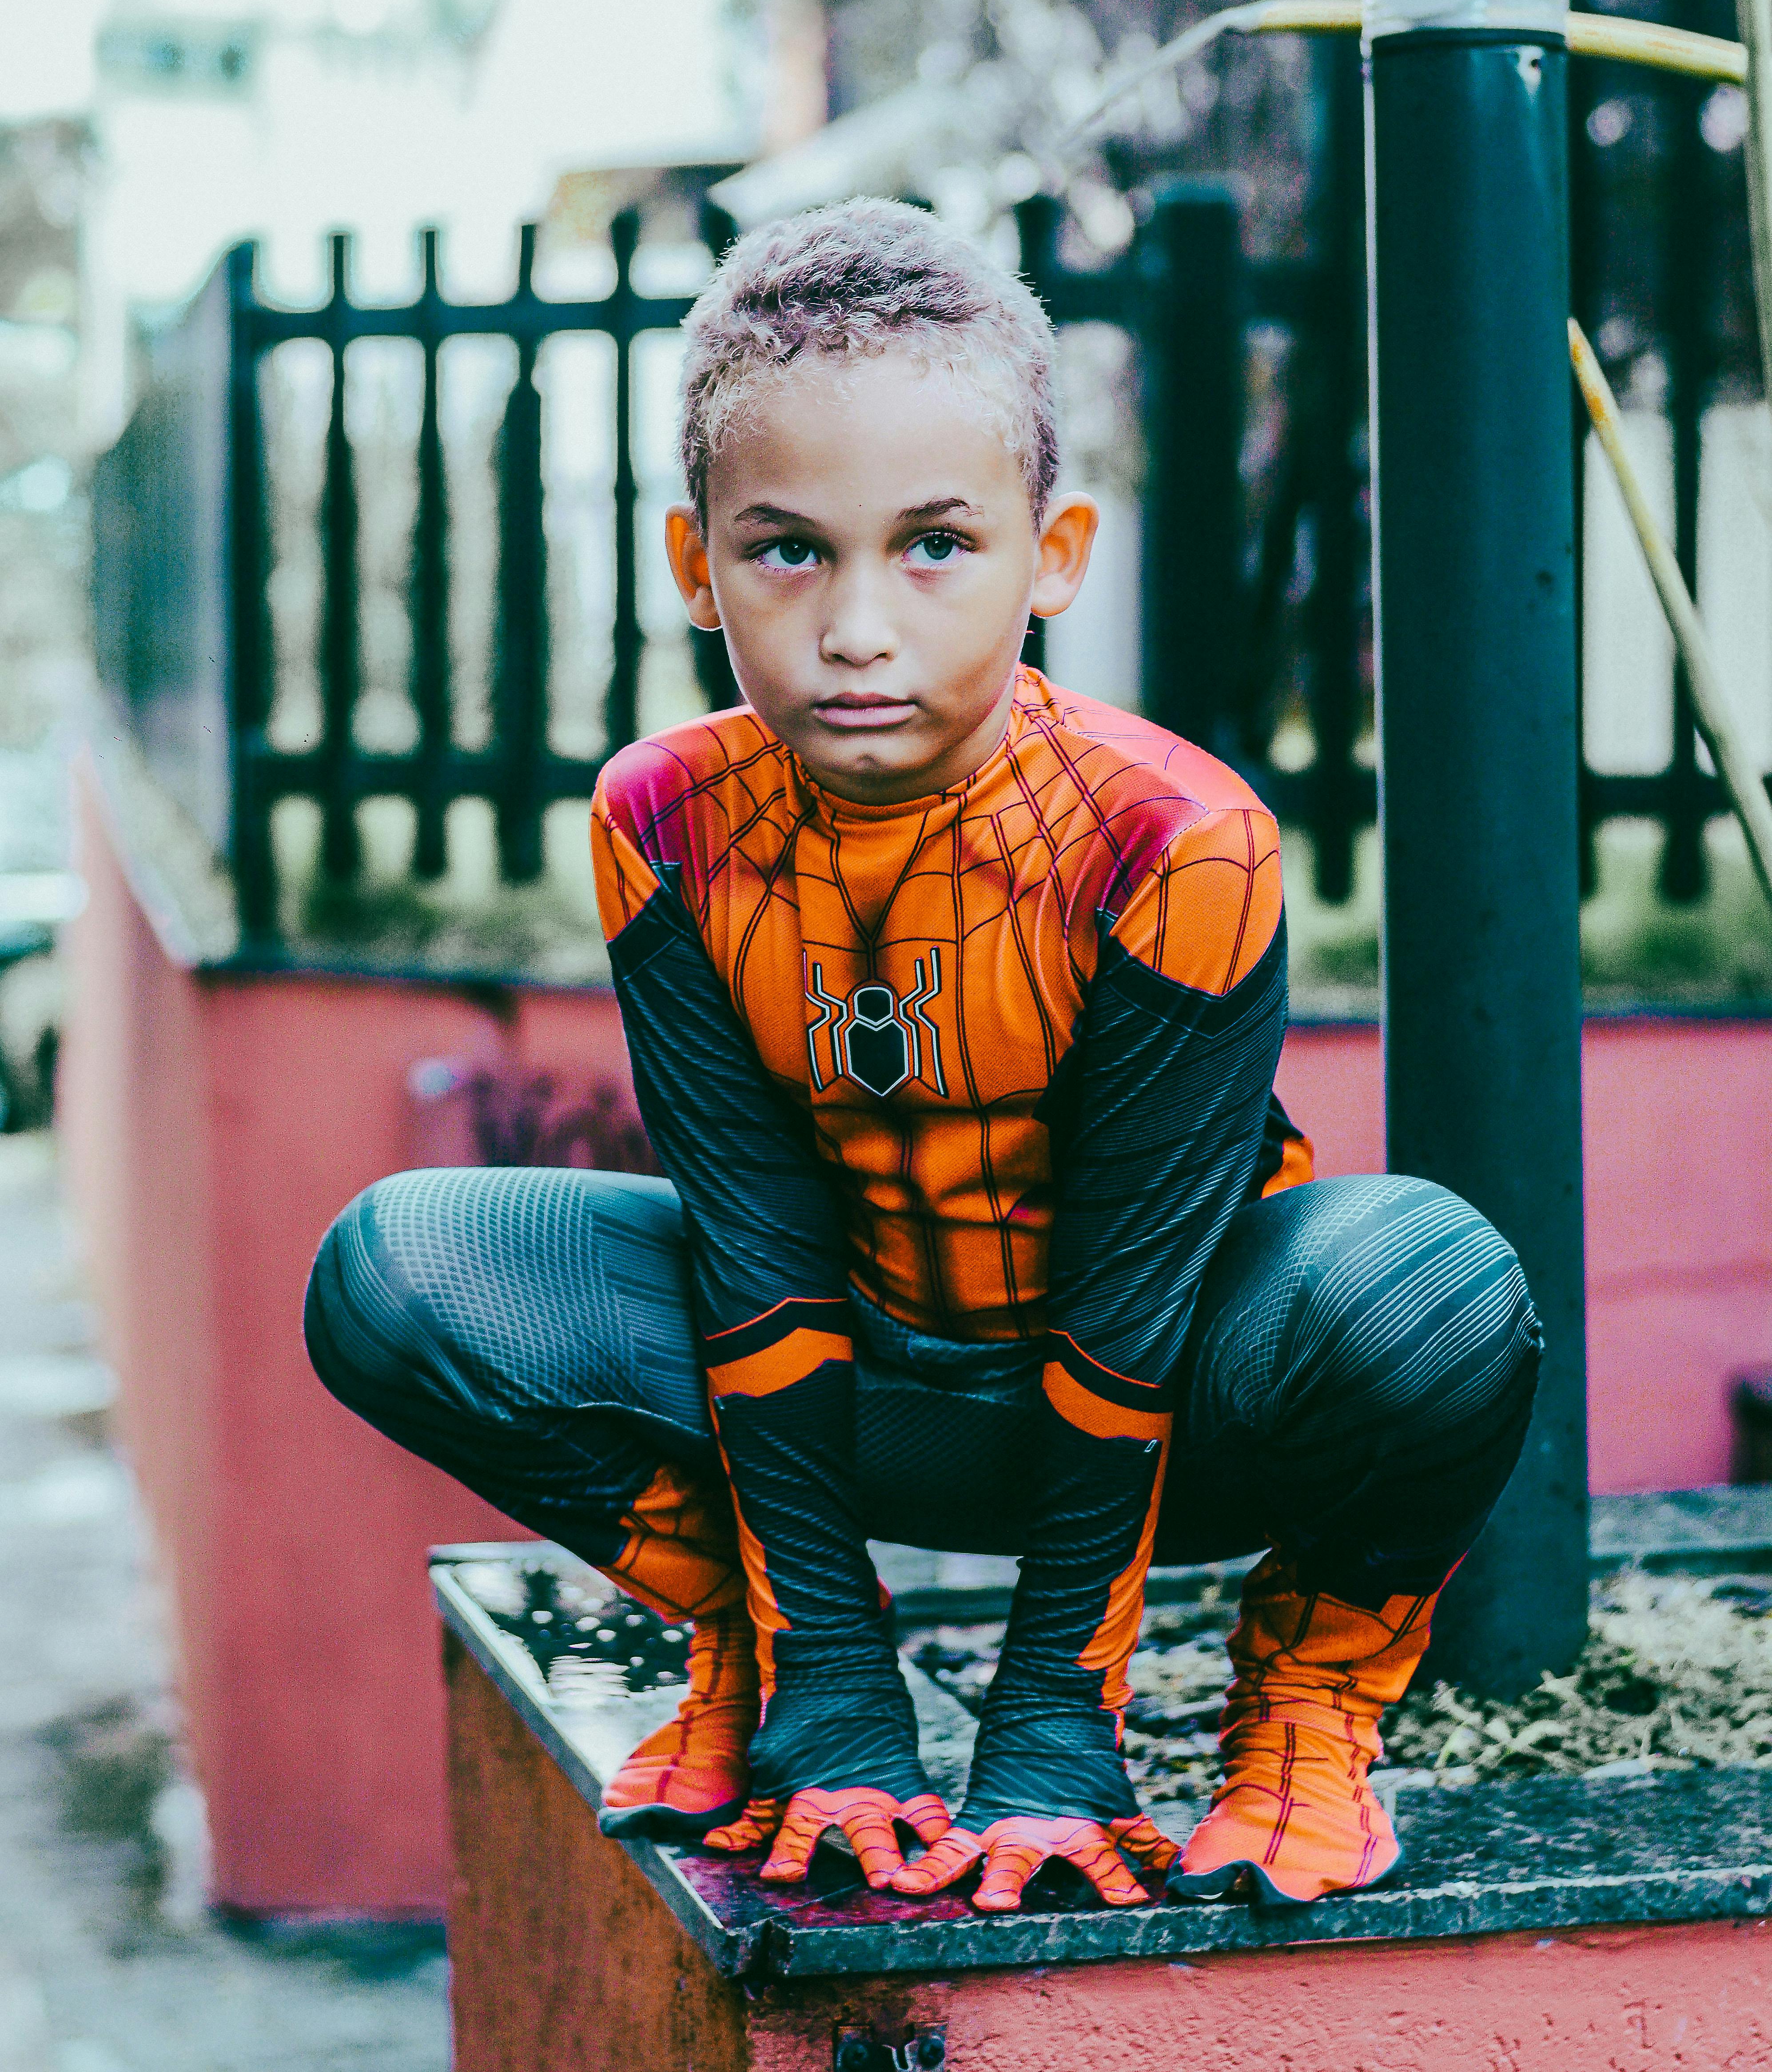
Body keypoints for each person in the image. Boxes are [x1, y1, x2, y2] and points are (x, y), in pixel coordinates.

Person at [305, 198, 1541, 1915]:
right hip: (861, 1389)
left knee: (1438, 1289)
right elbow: (751, 1245)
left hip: (1178, 1405)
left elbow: (1134, 1299)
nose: (859, 626)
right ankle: (755, 1640)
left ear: (1056, 554)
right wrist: (831, 1685)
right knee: (390, 1271)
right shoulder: (661, 817)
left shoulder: (1179, 840)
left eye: (937, 544)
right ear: (697, 565)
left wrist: (1049, 1727)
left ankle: (1313, 1699)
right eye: (789, 549)